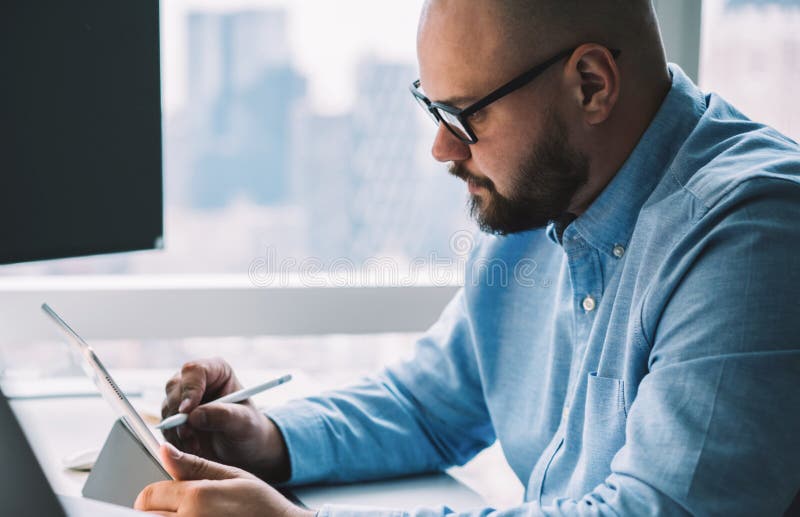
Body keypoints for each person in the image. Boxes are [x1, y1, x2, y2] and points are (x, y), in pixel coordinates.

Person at [135, 0, 800, 515]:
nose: (443, 151)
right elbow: (427, 404)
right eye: (432, 108)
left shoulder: (751, 239)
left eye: (465, 117)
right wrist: (262, 438)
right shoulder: (542, 195)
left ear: (592, 84)